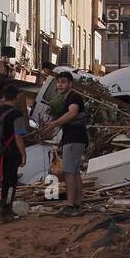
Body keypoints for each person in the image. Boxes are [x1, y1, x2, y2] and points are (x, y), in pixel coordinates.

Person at [44, 67, 88, 215]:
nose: (60, 85)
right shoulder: (68, 99)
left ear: (70, 84)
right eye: (58, 82)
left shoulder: (73, 98)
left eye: (63, 82)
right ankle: (77, 205)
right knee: (74, 173)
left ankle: (71, 206)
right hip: (74, 139)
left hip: (74, 139)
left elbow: (73, 112)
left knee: (69, 172)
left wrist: (55, 123)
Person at [0, 84, 28, 222]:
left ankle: (3, 208)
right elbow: (18, 136)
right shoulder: (16, 114)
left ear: (3, 96)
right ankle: (6, 210)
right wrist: (23, 154)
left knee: (4, 180)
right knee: (11, 181)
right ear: (17, 96)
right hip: (12, 151)